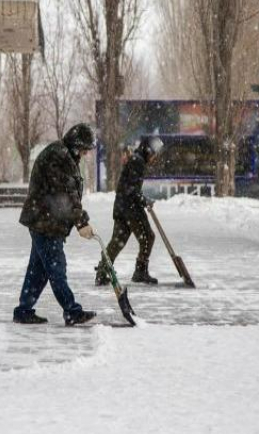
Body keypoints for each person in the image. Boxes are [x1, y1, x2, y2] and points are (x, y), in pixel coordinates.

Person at [14, 124, 98, 326]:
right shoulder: (58, 157)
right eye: (85, 148)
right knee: (56, 268)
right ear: (76, 144)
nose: (86, 153)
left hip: (45, 220)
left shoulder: (65, 155)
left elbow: (69, 193)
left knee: (39, 270)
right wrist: (81, 222)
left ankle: (23, 310)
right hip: (45, 222)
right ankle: (72, 311)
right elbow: (66, 194)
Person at [96, 135, 164, 286]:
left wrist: (141, 199)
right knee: (148, 236)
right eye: (153, 154)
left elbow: (128, 187)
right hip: (130, 209)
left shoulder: (136, 160)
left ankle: (102, 271)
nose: (154, 157)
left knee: (118, 241)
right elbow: (131, 189)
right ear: (147, 150)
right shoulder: (138, 162)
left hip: (122, 207)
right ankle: (140, 272)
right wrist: (143, 200)